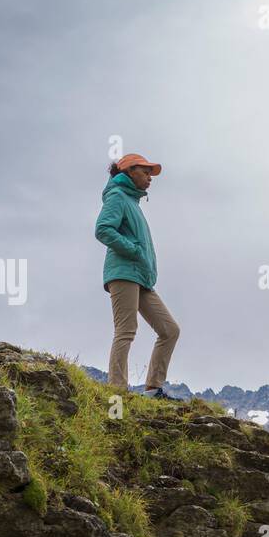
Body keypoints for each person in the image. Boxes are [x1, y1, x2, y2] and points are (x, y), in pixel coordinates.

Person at [95, 152, 181, 398]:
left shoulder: (131, 202)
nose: (150, 178)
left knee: (170, 330)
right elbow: (103, 230)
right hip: (123, 273)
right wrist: (133, 250)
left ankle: (153, 389)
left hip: (140, 277)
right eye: (145, 172)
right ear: (129, 171)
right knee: (126, 329)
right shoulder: (117, 197)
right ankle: (117, 390)